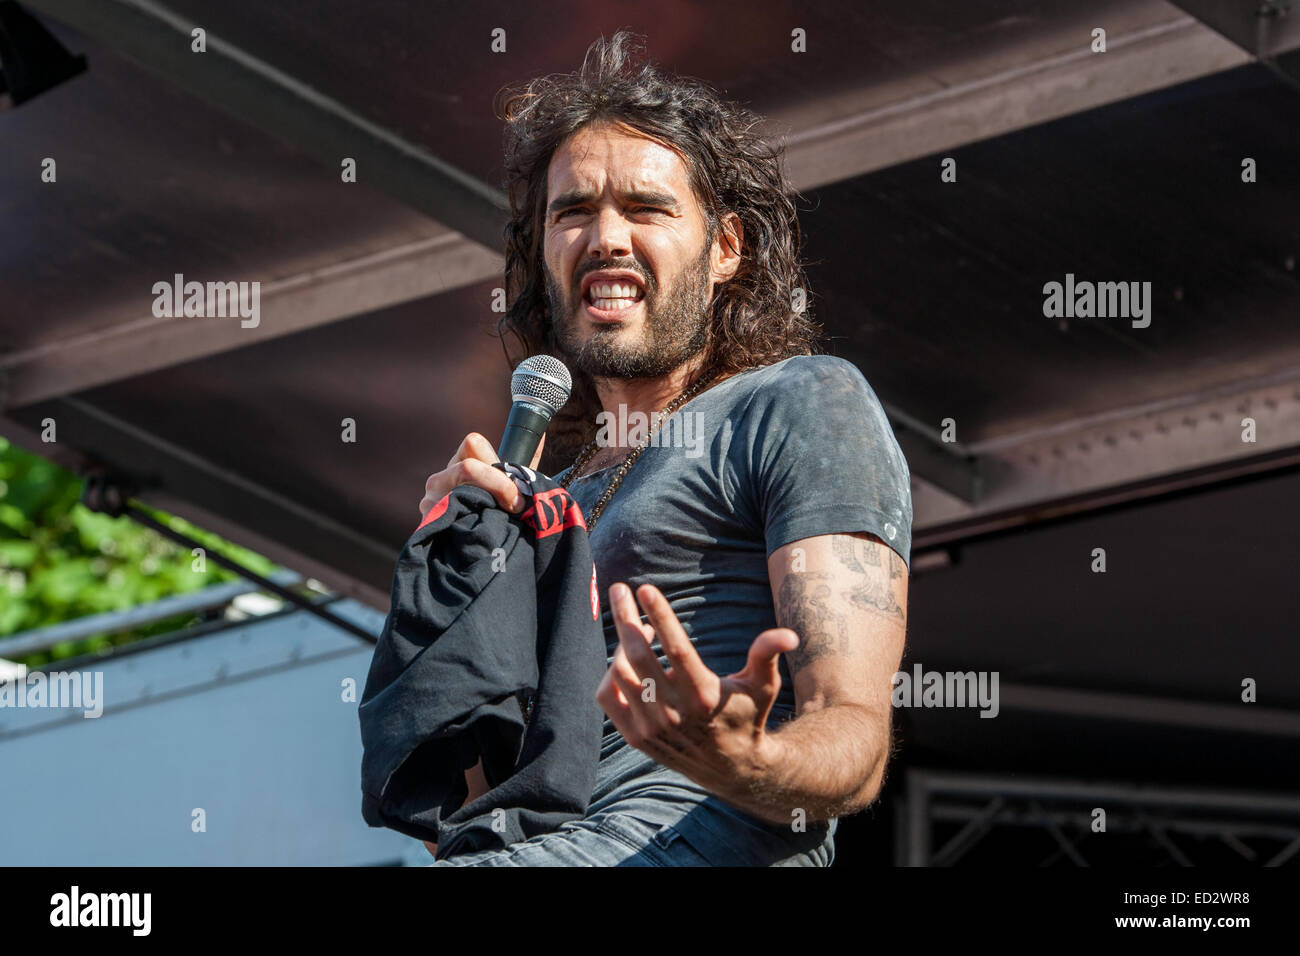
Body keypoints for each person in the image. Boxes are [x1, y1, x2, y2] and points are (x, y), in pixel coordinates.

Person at [416, 30, 912, 866]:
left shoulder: (799, 401)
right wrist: (455, 595)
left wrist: (750, 759)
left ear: (725, 249)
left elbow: (854, 735)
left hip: (684, 834)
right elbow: (483, 790)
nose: (604, 237)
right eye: (572, 212)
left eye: (645, 209)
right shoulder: (546, 492)